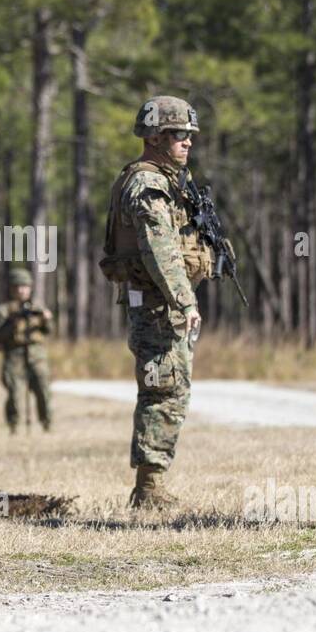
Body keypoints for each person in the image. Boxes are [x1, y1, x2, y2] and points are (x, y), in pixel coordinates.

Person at [99, 96, 215, 508]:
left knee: (168, 388)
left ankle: (151, 485)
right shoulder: (147, 183)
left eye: (189, 136)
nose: (188, 143)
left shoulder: (165, 180)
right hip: (156, 304)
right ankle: (148, 490)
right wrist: (185, 301)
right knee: (163, 389)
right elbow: (159, 249)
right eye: (179, 135)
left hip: (158, 302)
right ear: (154, 137)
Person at [0, 267, 53, 434]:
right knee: (15, 393)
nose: (21, 290)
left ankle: (47, 423)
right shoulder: (4, 310)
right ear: (11, 288)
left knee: (43, 390)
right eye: (17, 286)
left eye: (24, 286)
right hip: (14, 355)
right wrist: (13, 322)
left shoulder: (37, 307)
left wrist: (46, 319)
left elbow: (49, 331)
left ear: (30, 288)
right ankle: (14, 425)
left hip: (36, 355)